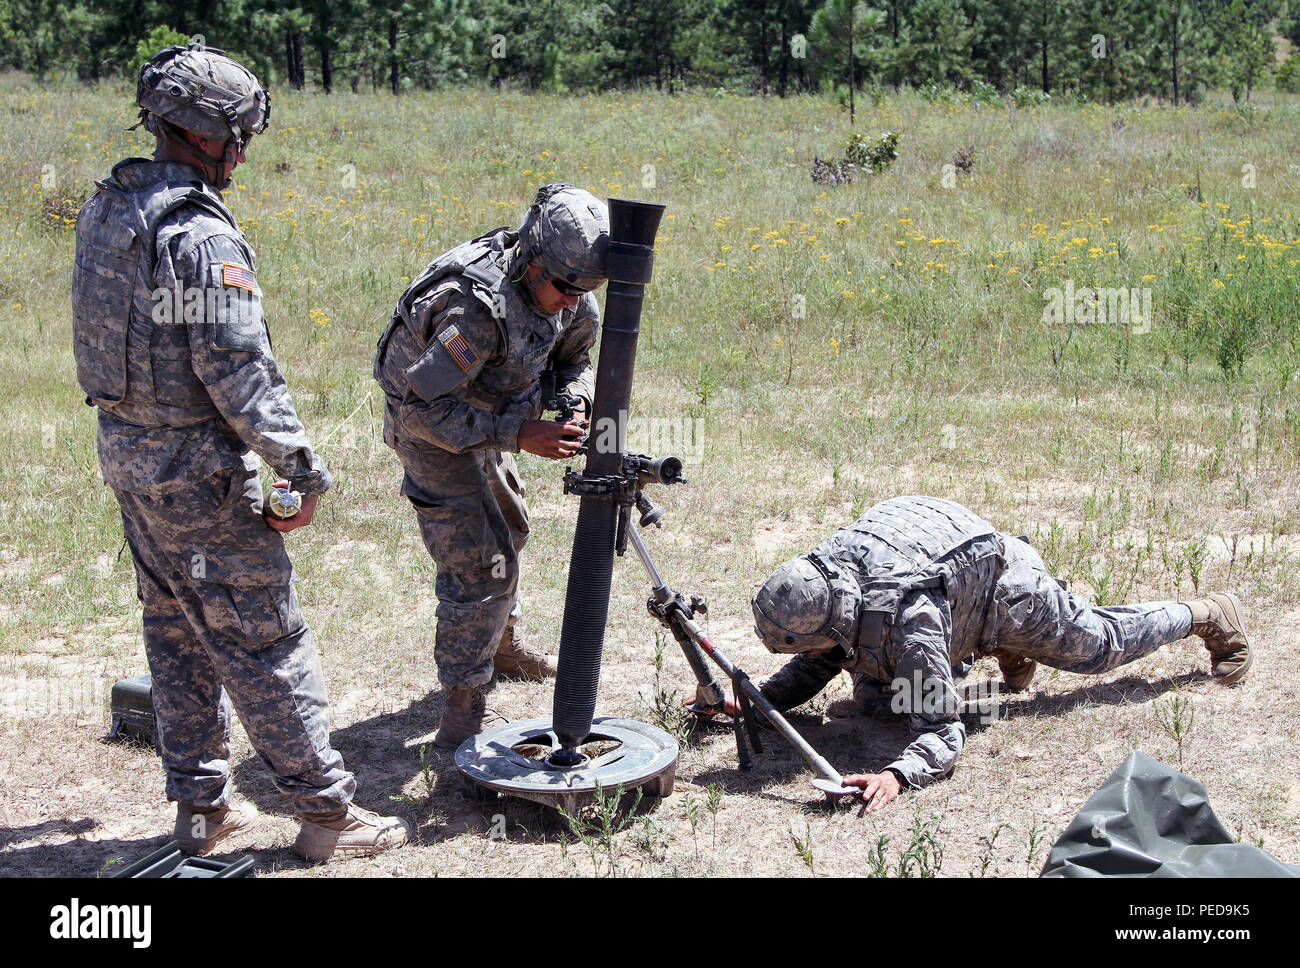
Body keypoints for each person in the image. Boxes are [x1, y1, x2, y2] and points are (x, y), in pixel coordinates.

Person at [73, 44, 408, 861]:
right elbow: (236, 370)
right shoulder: (196, 234)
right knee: (265, 640)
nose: (245, 154)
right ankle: (328, 814)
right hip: (199, 476)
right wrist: (301, 466)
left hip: (129, 460)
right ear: (216, 135)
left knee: (176, 631)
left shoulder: (113, 208)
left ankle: (202, 811)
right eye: (242, 136)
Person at [743, 495, 1252, 812]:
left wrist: (895, 776)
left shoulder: (909, 622)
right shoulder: (828, 582)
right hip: (957, 585)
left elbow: (941, 730)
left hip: (1007, 588)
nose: (820, 651)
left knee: (1098, 646)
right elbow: (818, 658)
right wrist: (752, 702)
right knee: (880, 700)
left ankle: (1207, 614)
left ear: (836, 617)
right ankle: (1012, 657)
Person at [374, 183, 607, 748]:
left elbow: (576, 357)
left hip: (495, 425)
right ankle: (463, 703)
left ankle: (500, 645)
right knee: (478, 563)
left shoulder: (570, 288)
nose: (573, 301)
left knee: (513, 530)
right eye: (565, 288)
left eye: (585, 290)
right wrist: (519, 433)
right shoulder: (474, 311)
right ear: (532, 264)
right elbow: (420, 409)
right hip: (433, 434)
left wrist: (572, 396)